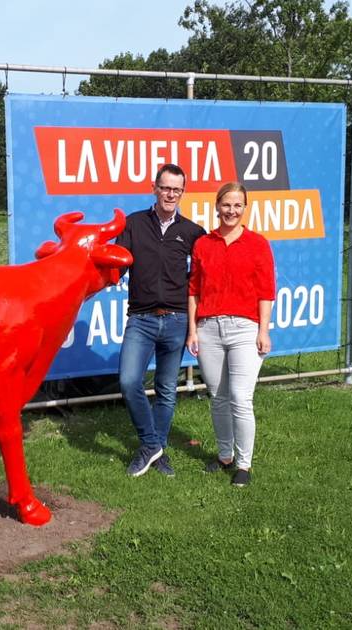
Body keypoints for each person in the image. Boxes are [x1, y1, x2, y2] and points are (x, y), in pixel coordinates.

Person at [115, 163, 206, 478]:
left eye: (176, 190)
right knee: (129, 382)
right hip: (141, 319)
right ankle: (151, 445)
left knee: (167, 389)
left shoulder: (193, 232)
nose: (170, 194)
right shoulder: (133, 224)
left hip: (177, 321)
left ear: (183, 192)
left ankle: (157, 450)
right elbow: (116, 266)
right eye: (165, 188)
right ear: (154, 188)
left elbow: (200, 281)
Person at [185, 182, 275, 488]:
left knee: (240, 397)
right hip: (208, 329)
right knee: (219, 397)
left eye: (237, 205)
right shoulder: (203, 244)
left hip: (245, 329)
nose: (231, 211)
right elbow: (194, 290)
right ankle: (225, 455)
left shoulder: (258, 244)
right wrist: (192, 330)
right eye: (226, 205)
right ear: (217, 207)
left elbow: (266, 291)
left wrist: (263, 330)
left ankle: (244, 464)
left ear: (245, 208)